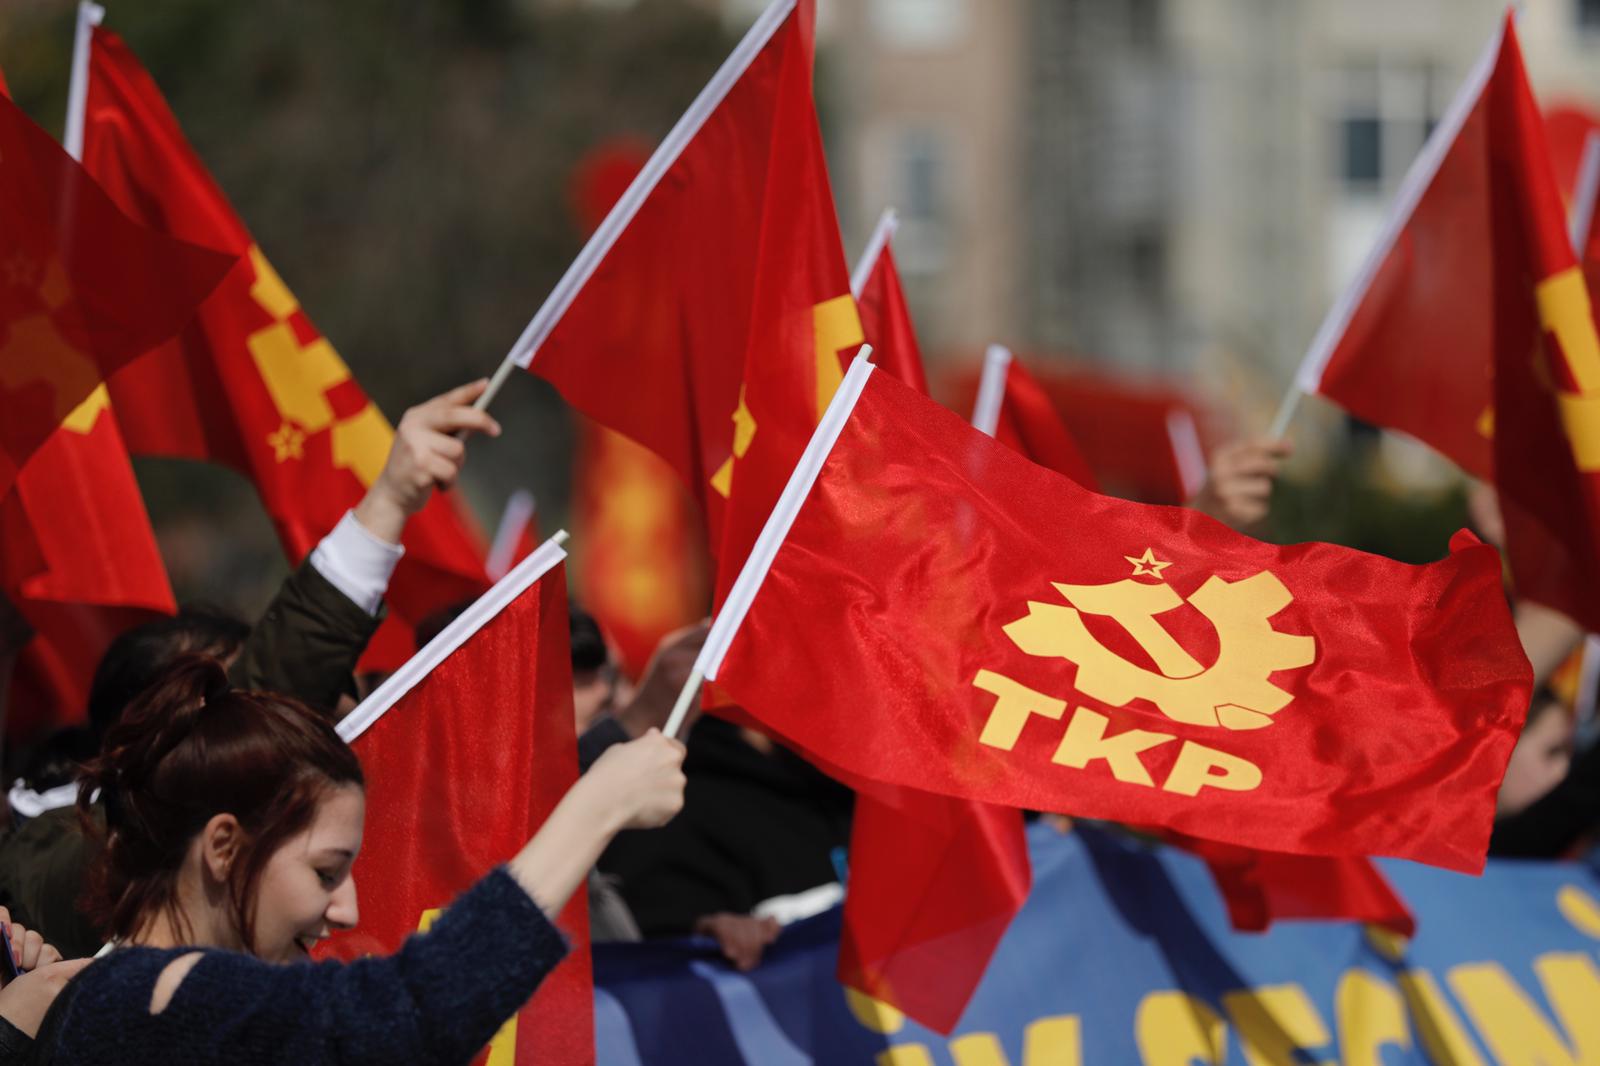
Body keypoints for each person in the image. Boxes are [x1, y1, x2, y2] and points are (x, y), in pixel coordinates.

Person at [0, 380, 501, 959]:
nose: (346, 910)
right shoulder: (60, 865)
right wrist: (387, 502)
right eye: (233, 718)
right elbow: (277, 679)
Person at [7, 655, 685, 1065]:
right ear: (223, 847)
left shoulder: (106, 997)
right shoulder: (158, 996)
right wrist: (594, 810)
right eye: (324, 872)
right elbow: (407, 1019)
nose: (348, 909)